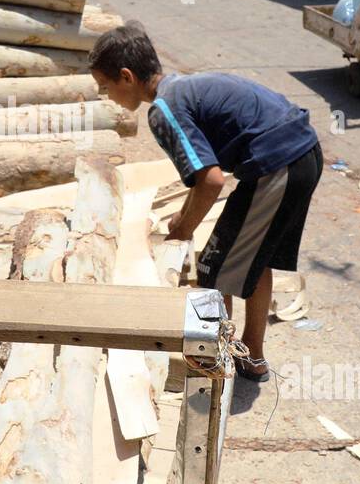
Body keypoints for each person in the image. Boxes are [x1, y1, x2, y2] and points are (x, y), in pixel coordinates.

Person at [89, 22, 323, 383]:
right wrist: (183, 214)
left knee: (214, 269)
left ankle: (218, 366)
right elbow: (205, 176)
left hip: (276, 164)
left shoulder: (163, 110)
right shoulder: (182, 87)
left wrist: (183, 229)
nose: (109, 97)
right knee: (254, 260)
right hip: (302, 152)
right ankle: (252, 357)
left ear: (127, 76)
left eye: (107, 88)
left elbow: (211, 180)